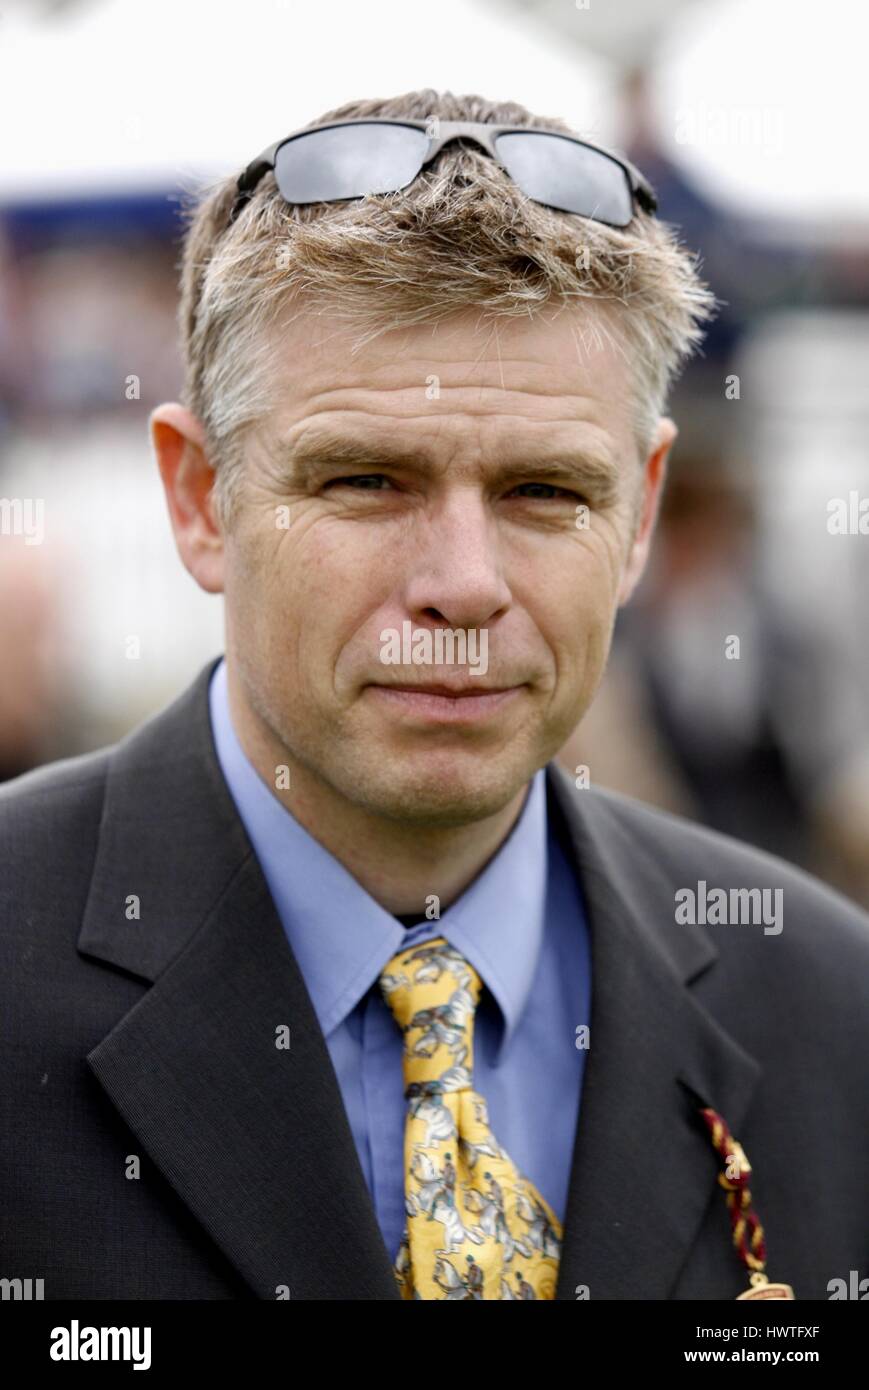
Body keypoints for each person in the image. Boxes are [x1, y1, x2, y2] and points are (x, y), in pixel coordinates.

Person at [2, 89, 868, 1302]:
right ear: (200, 500)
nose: (463, 585)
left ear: (640, 514)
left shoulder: (832, 1013)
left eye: (543, 493)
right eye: (365, 481)